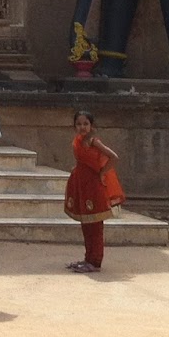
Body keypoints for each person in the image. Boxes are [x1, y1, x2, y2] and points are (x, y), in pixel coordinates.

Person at [63, 110, 125, 273]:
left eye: (85, 124)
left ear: (92, 126)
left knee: (95, 225)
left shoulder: (94, 141)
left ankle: (95, 261)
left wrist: (102, 173)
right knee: (86, 223)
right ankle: (88, 258)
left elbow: (114, 157)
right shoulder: (78, 140)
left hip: (93, 184)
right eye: (79, 124)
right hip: (82, 183)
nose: (82, 127)